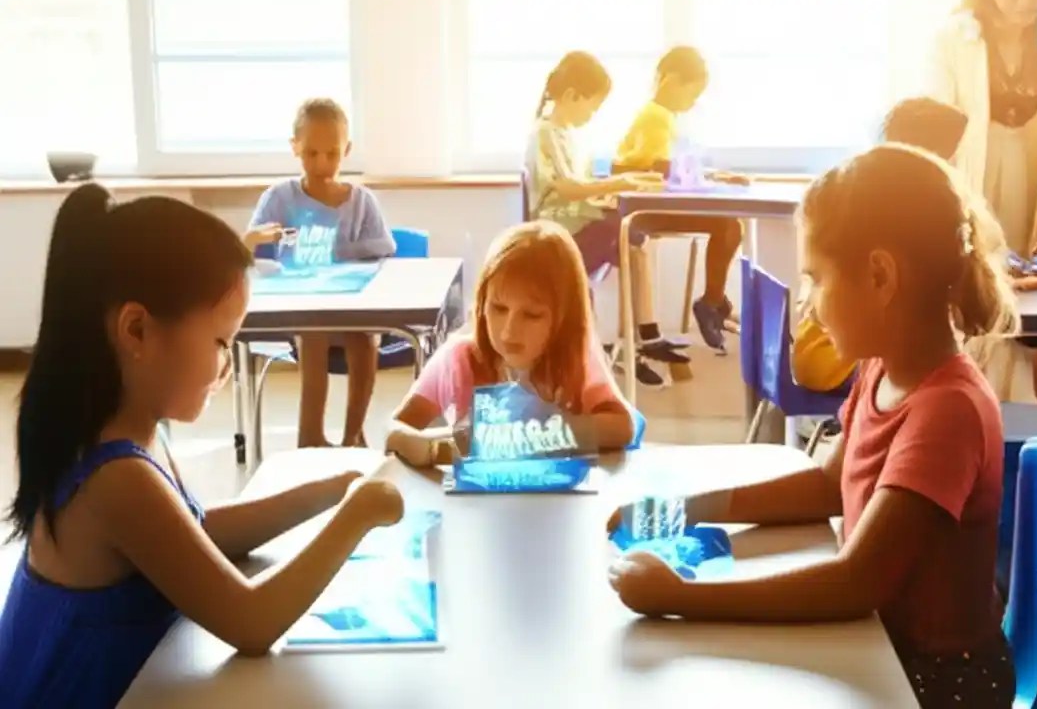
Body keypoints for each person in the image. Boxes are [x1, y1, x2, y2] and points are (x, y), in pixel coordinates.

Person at [609, 145, 1018, 708]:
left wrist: (681, 596)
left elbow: (856, 582)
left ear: (880, 275)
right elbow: (827, 484)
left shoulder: (946, 410)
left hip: (934, 684)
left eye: (816, 279)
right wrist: (681, 510)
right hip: (879, 652)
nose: (808, 306)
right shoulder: (884, 368)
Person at [0, 185, 404, 708]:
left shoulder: (126, 430)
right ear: (137, 330)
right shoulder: (116, 477)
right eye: (219, 342)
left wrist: (326, 493)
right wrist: (357, 517)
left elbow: (192, 533)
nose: (227, 365)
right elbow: (251, 623)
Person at [387, 221, 635, 465]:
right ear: (482, 303)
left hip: (555, 501)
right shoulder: (459, 358)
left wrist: (532, 435)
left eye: (532, 315)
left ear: (565, 319)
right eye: (499, 308)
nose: (509, 331)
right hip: (476, 502)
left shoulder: (576, 360)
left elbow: (623, 427)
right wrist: (431, 446)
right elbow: (395, 429)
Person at [931, 0, 1037, 407]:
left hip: (1028, 174)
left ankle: (1014, 413)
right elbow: (938, 123)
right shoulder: (954, 37)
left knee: (1020, 289)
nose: (1026, 2)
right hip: (973, 175)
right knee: (976, 283)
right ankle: (968, 405)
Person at [525, 51, 686, 388]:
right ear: (571, 96)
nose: (592, 115)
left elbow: (580, 190)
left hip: (575, 223)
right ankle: (632, 342)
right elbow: (569, 189)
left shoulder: (567, 134)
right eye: (592, 106)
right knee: (630, 230)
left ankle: (643, 337)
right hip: (557, 234)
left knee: (636, 242)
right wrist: (621, 184)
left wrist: (614, 190)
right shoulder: (545, 133)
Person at [792, 97, 970, 393]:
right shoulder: (894, 215)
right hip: (826, 363)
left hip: (819, 356)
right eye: (948, 158)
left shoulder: (860, 201)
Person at [248, 98, 396, 447]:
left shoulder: (361, 200)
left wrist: (336, 250)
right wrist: (255, 239)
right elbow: (245, 245)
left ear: (346, 149)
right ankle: (310, 435)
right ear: (295, 148)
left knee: (363, 337)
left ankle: (352, 434)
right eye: (311, 154)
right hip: (303, 311)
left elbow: (385, 246)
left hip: (352, 309)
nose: (322, 164)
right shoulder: (280, 198)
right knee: (313, 331)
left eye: (332, 154)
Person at [614, 45, 748, 354]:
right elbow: (663, 169)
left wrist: (715, 177)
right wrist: (704, 180)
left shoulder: (660, 115)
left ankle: (715, 302)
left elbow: (680, 166)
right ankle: (713, 303)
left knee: (730, 226)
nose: (693, 103)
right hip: (646, 208)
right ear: (672, 82)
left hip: (649, 202)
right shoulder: (658, 117)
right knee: (728, 225)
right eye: (692, 94)